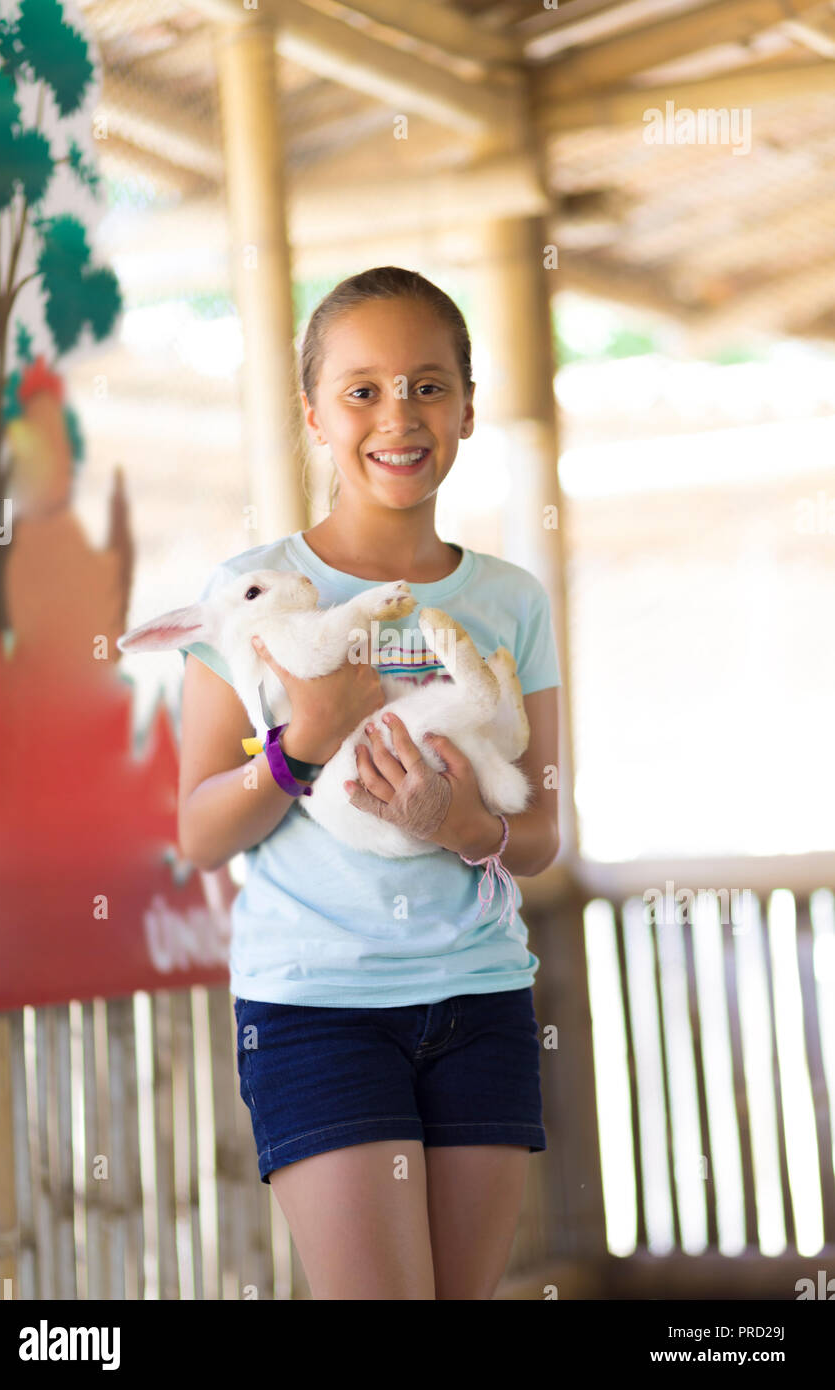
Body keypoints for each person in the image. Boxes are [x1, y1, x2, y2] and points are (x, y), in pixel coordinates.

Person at [177, 267, 561, 1300]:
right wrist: (302, 740)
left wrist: (459, 822)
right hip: (316, 1008)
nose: (399, 414)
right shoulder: (248, 595)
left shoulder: (509, 600)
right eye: (361, 390)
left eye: (428, 385)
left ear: (467, 406)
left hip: (478, 993)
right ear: (313, 415)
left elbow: (539, 830)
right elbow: (200, 834)